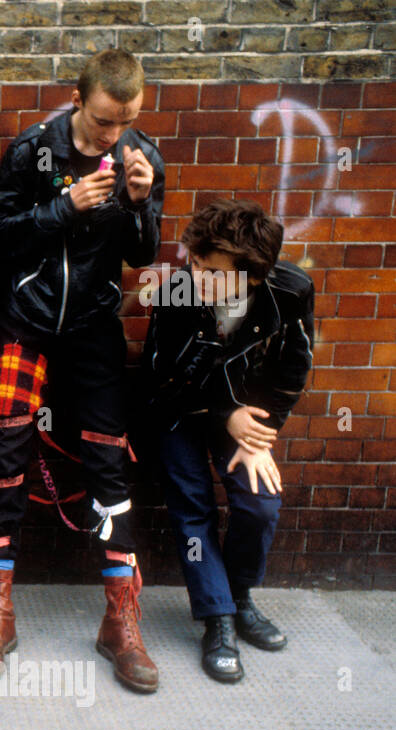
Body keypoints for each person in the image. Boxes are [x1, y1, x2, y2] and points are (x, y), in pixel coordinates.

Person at [0, 49, 166, 693]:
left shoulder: (142, 157)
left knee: (111, 461)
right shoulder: (36, 150)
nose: (116, 134)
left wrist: (138, 201)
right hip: (24, 320)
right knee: (4, 456)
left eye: (128, 120)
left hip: (93, 330)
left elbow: (142, 254)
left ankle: (121, 619)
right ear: (79, 101)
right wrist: (66, 206)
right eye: (106, 120)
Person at [141, 199, 313, 682]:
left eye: (211, 271)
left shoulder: (291, 292)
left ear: (252, 277)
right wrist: (225, 413)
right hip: (178, 414)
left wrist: (261, 433)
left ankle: (239, 599)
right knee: (192, 508)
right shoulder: (178, 292)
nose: (196, 276)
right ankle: (217, 621)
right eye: (194, 262)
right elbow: (162, 375)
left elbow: (292, 370)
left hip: (243, 421)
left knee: (260, 506)